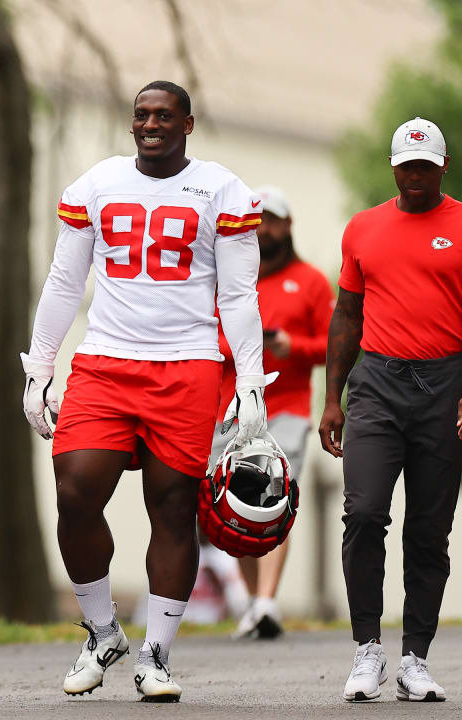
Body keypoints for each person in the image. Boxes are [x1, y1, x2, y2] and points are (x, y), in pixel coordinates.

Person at [21, 81, 267, 702]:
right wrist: (39, 369)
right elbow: (62, 282)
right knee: (75, 491)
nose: (151, 123)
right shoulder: (99, 183)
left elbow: (238, 296)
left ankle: (156, 653)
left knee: (173, 507)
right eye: (142, 115)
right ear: (131, 125)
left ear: (188, 123)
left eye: (164, 115)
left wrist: (250, 381)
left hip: (187, 366)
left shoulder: (221, 189)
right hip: (105, 363)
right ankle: (103, 630)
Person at [321, 117, 462, 703]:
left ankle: (415, 659)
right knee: (365, 513)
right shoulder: (364, 228)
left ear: (442, 168)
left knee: (429, 530)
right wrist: (333, 398)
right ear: (393, 166)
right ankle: (367, 651)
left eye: (426, 167)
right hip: (376, 383)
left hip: (445, 387)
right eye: (407, 166)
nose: (416, 177)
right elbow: (346, 315)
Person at [208, 185, 333, 640]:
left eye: (271, 220)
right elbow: (207, 338)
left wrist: (288, 345)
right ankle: (252, 602)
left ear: (287, 225)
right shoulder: (228, 278)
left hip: (287, 407)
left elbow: (332, 346)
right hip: (230, 408)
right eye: (256, 221)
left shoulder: (313, 281)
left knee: (278, 495)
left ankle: (265, 601)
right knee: (228, 500)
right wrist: (245, 348)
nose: (263, 229)